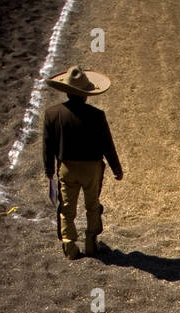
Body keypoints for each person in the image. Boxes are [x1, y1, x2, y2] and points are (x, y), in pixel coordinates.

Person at [41, 65, 123, 259]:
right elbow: (107, 145)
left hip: (67, 168)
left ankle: (70, 246)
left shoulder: (52, 114)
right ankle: (91, 243)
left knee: (67, 208)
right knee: (92, 206)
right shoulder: (97, 115)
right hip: (91, 169)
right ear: (86, 95)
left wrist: (49, 171)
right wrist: (116, 169)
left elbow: (48, 146)